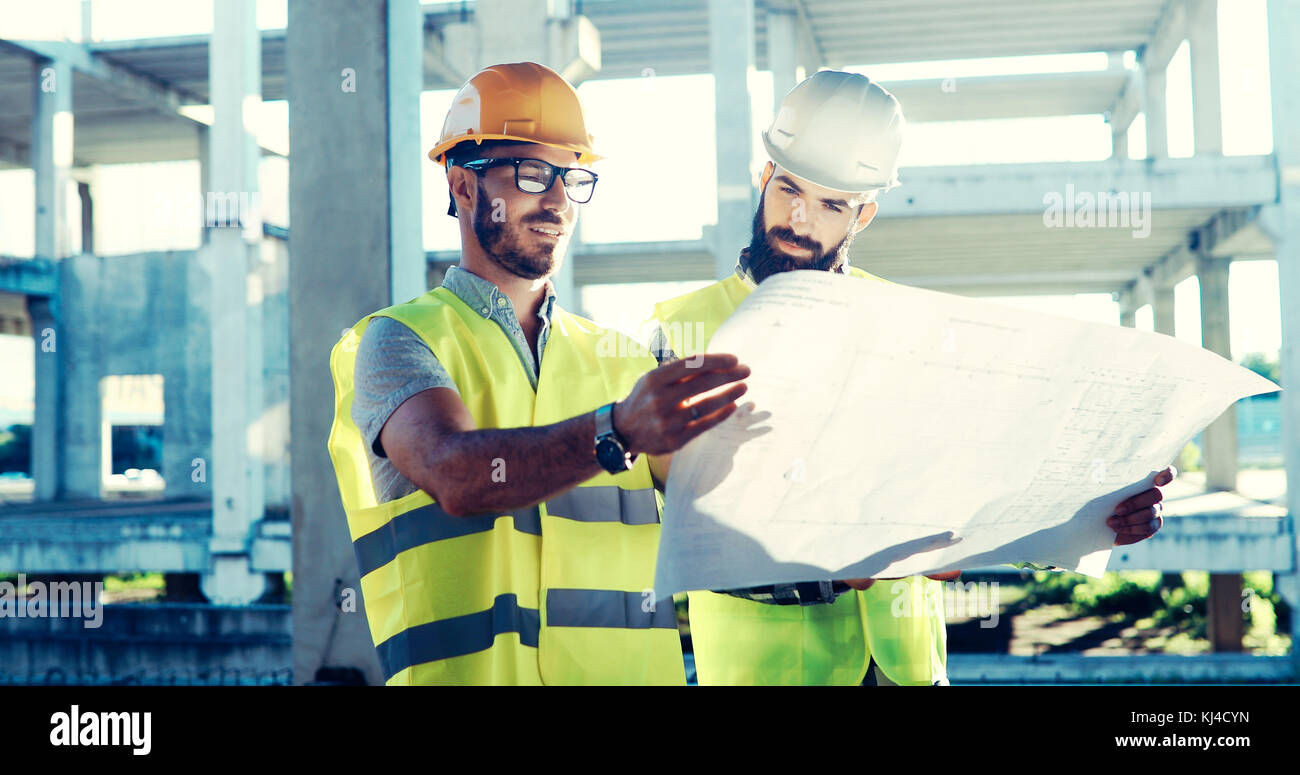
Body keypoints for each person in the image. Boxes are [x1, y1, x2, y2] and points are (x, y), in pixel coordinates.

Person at [649, 70, 1174, 686]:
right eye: (789, 188)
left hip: (909, 671)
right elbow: (688, 535)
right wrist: (828, 572)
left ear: (863, 214)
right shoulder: (681, 331)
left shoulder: (912, 324)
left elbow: (975, 493)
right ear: (765, 178)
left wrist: (1095, 513)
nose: (798, 219)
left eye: (831, 205)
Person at [326, 62, 749, 685]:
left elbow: (723, 510)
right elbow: (456, 474)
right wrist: (620, 430)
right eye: (531, 174)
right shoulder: (399, 341)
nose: (556, 201)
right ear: (463, 186)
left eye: (572, 179)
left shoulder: (625, 362)